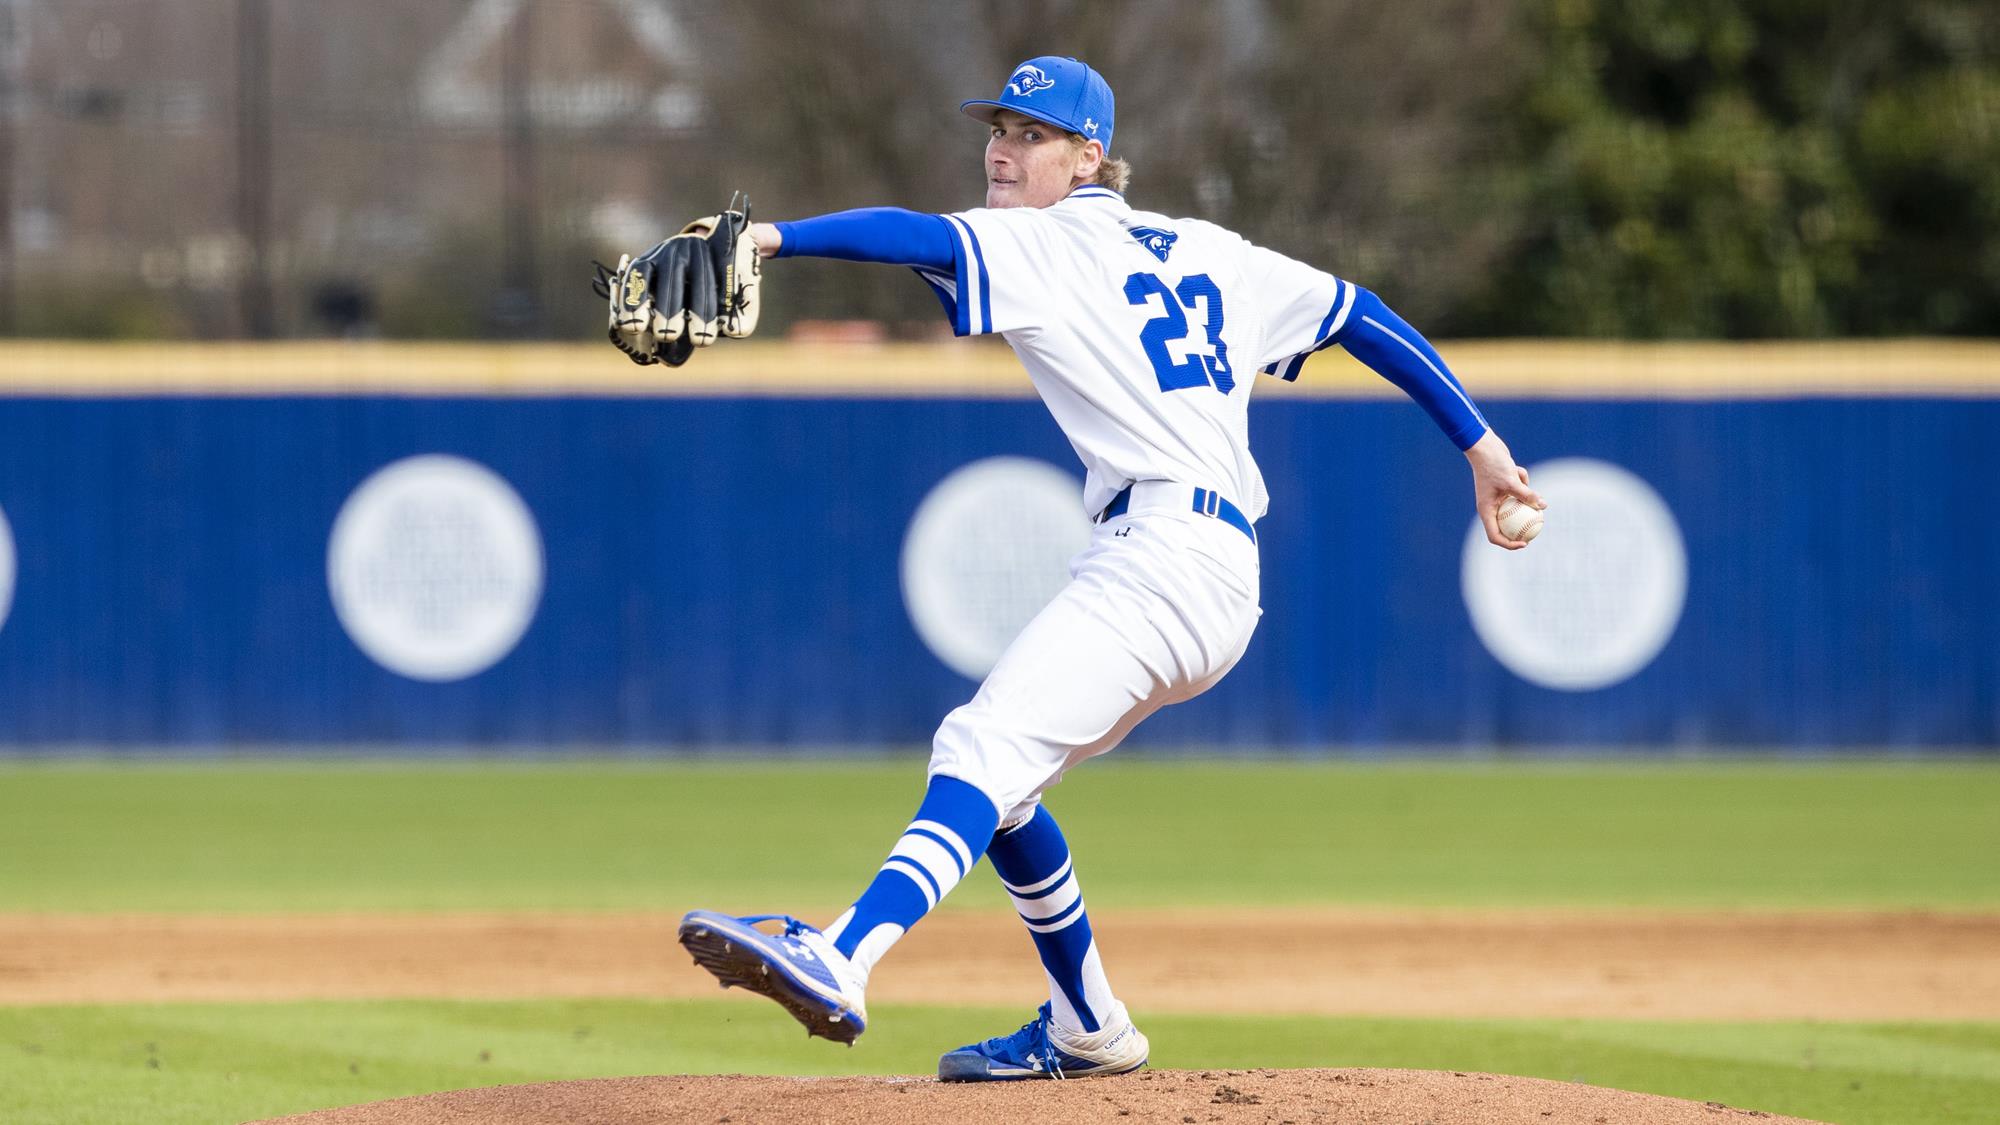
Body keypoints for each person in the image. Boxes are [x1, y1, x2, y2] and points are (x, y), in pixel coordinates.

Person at [671, 55, 1545, 1082]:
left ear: (1090, 157)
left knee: (976, 745)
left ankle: (841, 954)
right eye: (997, 129)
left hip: (1164, 559)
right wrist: (1480, 447)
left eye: (1030, 135)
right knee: (1005, 792)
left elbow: (911, 232)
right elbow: (1363, 314)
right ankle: (1087, 1024)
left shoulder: (1042, 241)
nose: (1002, 149)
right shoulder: (1213, 249)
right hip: (1211, 571)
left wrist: (770, 236)